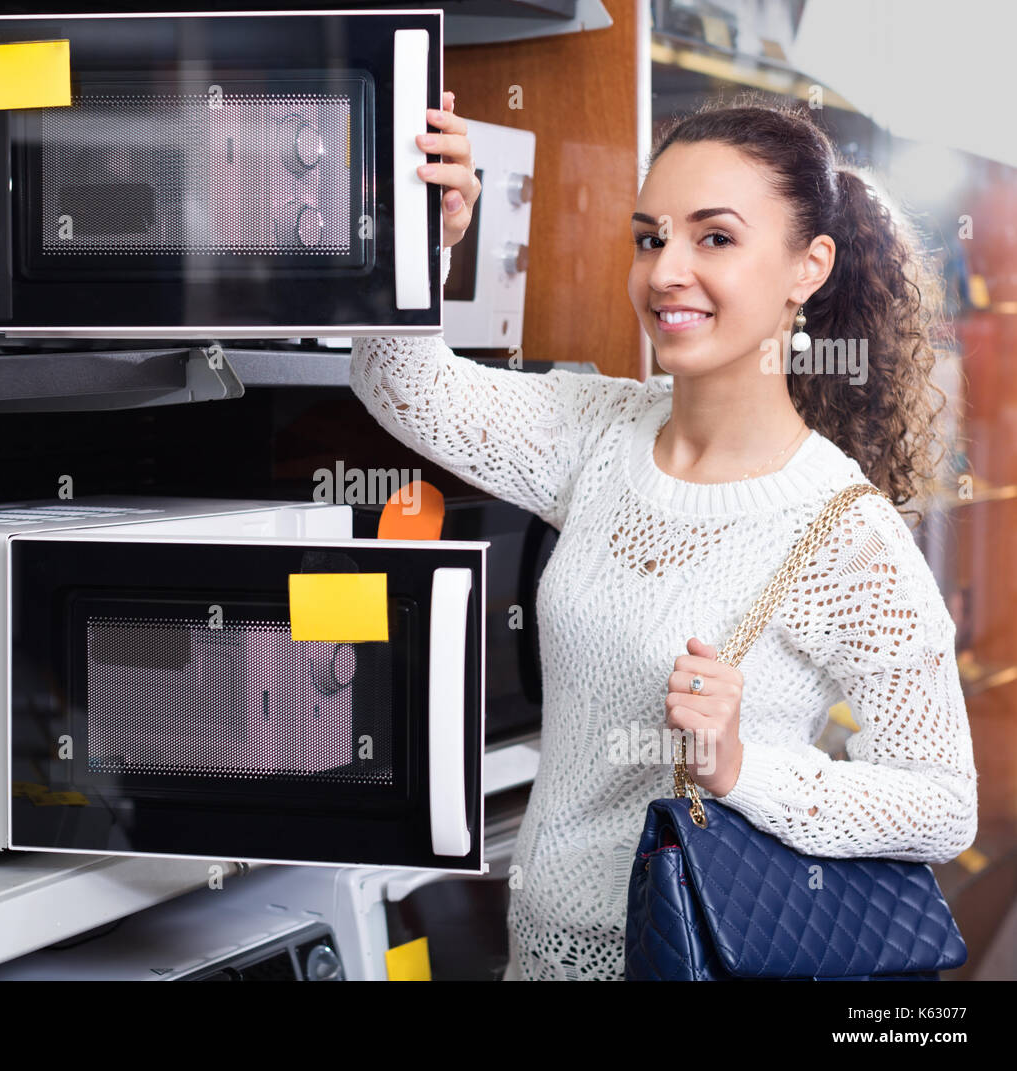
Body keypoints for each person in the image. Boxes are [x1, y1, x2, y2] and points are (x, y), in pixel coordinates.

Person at [349, 90, 979, 981]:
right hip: (546, 948)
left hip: (703, 952)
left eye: (714, 238)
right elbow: (399, 385)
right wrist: (426, 240)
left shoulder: (849, 534)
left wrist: (740, 767)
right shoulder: (601, 429)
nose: (666, 271)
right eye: (650, 237)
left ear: (809, 265)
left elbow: (943, 806)